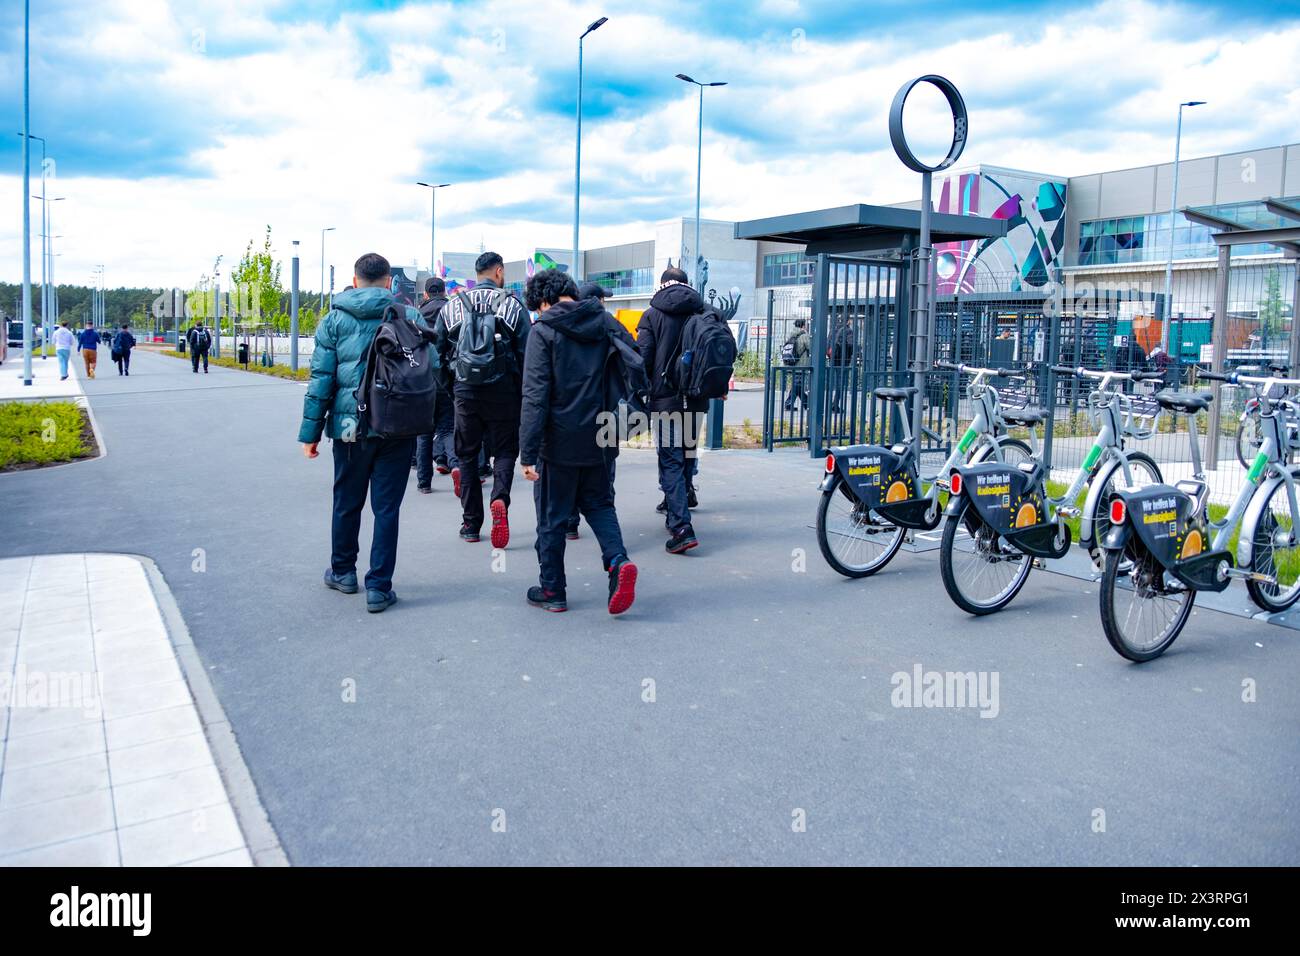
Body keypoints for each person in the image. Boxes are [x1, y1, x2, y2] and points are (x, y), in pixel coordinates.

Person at [299, 252, 426, 613]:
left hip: (349, 426)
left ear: (354, 281)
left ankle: (343, 572)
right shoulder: (409, 316)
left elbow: (321, 380)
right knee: (387, 508)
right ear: (390, 282)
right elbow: (429, 373)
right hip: (396, 426)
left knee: (347, 502)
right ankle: (379, 587)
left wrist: (310, 433)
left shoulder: (334, 320)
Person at [520, 269, 637, 614]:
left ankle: (552, 589)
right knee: (600, 505)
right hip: (604, 432)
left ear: (543, 301)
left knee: (552, 517)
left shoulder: (544, 331)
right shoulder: (606, 323)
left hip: (559, 441)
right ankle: (618, 562)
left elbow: (534, 395)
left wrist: (528, 452)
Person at [433, 251, 529, 548]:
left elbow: (437, 356)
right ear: (498, 271)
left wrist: (452, 388)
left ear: (477, 274)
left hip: (465, 391)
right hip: (504, 392)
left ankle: (471, 523)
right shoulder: (513, 306)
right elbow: (528, 355)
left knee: (467, 453)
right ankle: (499, 499)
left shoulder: (451, 308)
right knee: (504, 451)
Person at [637, 266, 707, 554]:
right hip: (697, 396)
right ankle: (681, 494)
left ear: (663, 285)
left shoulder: (652, 314)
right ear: (687, 285)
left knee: (670, 459)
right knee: (688, 451)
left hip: (665, 399)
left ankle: (681, 526)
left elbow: (643, 358)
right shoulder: (704, 310)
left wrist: (642, 390)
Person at [414, 277, 450, 494]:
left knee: (423, 432)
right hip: (446, 377)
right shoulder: (453, 310)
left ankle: (424, 482)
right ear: (444, 291)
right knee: (448, 429)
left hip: (422, 379)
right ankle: (456, 466)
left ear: (426, 294)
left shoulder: (416, 315)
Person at [782, 318, 810, 411]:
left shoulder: (790, 334)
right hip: (800, 365)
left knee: (798, 385)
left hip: (790, 362)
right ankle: (789, 403)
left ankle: (806, 403)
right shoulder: (804, 335)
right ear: (803, 325)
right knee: (798, 385)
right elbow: (811, 347)